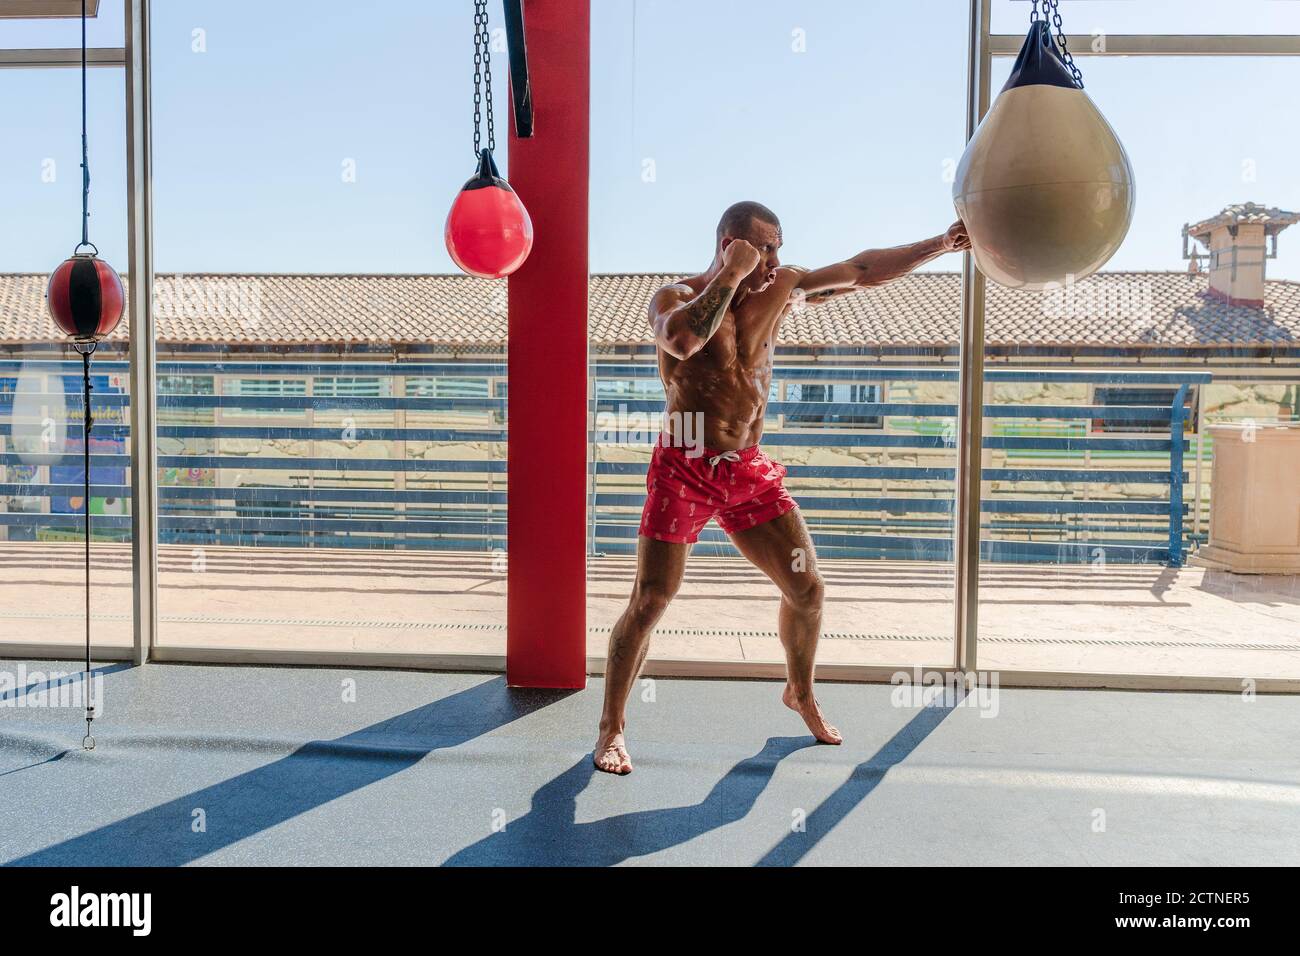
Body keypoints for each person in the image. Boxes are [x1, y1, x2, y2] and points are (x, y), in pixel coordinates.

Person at [594, 201, 971, 774]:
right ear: (730, 244)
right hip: (685, 466)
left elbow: (862, 268)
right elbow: (682, 343)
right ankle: (611, 730)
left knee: (808, 591)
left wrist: (940, 244)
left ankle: (799, 691)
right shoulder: (675, 296)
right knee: (650, 600)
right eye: (762, 248)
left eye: (777, 246)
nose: (774, 259)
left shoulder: (785, 285)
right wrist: (731, 275)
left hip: (747, 469)